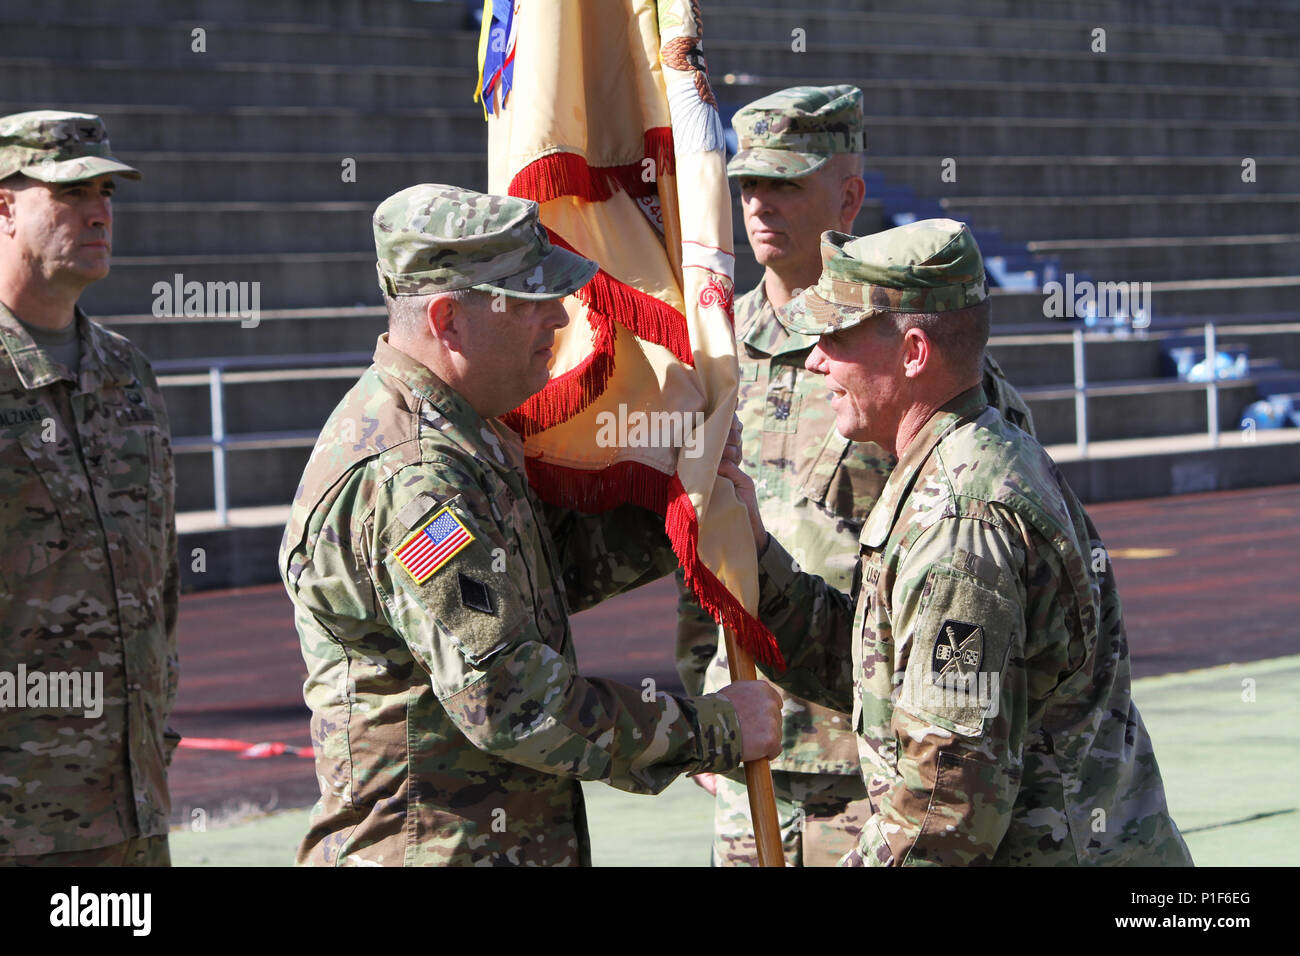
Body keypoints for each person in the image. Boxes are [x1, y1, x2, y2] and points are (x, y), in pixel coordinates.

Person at [279, 183, 783, 867]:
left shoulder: (465, 432)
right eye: (526, 300)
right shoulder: (416, 478)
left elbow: (541, 576)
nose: (558, 317)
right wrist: (715, 728)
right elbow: (511, 702)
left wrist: (681, 503)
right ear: (449, 319)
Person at [722, 218, 1193, 865]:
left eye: (837, 337)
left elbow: (943, 804)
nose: (815, 359)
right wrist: (754, 560)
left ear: (914, 352)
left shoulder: (959, 525)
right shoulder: (962, 461)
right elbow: (879, 675)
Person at [676, 85, 1036, 866]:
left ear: (849, 195)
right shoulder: (710, 355)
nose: (762, 205)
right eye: (749, 186)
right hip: (754, 751)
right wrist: (702, 692)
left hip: (873, 763)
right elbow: (692, 539)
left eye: (786, 183)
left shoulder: (914, 360)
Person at [0, 110, 180, 866]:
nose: (98, 210)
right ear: (4, 206)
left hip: (132, 804)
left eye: (105, 189)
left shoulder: (128, 373)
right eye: (69, 192)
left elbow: (161, 574)